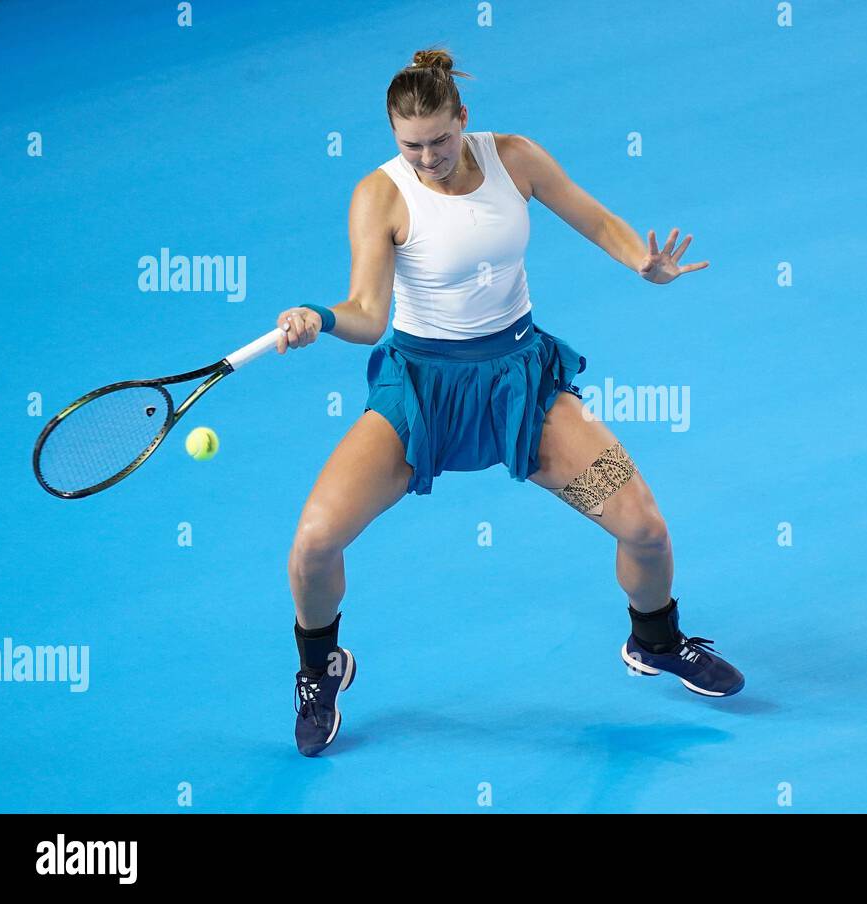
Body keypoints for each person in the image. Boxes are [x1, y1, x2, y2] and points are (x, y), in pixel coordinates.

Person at [278, 48, 744, 757]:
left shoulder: (515, 158)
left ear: (463, 119)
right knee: (314, 543)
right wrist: (320, 316)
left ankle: (656, 640)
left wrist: (642, 264)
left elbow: (595, 219)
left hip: (520, 388)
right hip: (421, 393)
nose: (429, 157)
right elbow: (369, 312)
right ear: (393, 139)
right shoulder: (380, 194)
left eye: (440, 138)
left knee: (644, 528)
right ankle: (320, 670)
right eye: (412, 145)